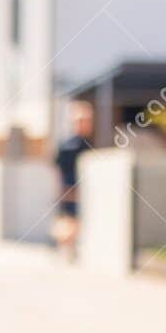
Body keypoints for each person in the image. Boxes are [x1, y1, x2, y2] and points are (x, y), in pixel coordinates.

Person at [52, 101, 94, 261]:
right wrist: (65, 190)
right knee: (70, 220)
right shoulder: (70, 146)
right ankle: (67, 248)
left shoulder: (87, 144)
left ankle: (69, 248)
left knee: (74, 221)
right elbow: (59, 170)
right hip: (71, 189)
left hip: (81, 190)